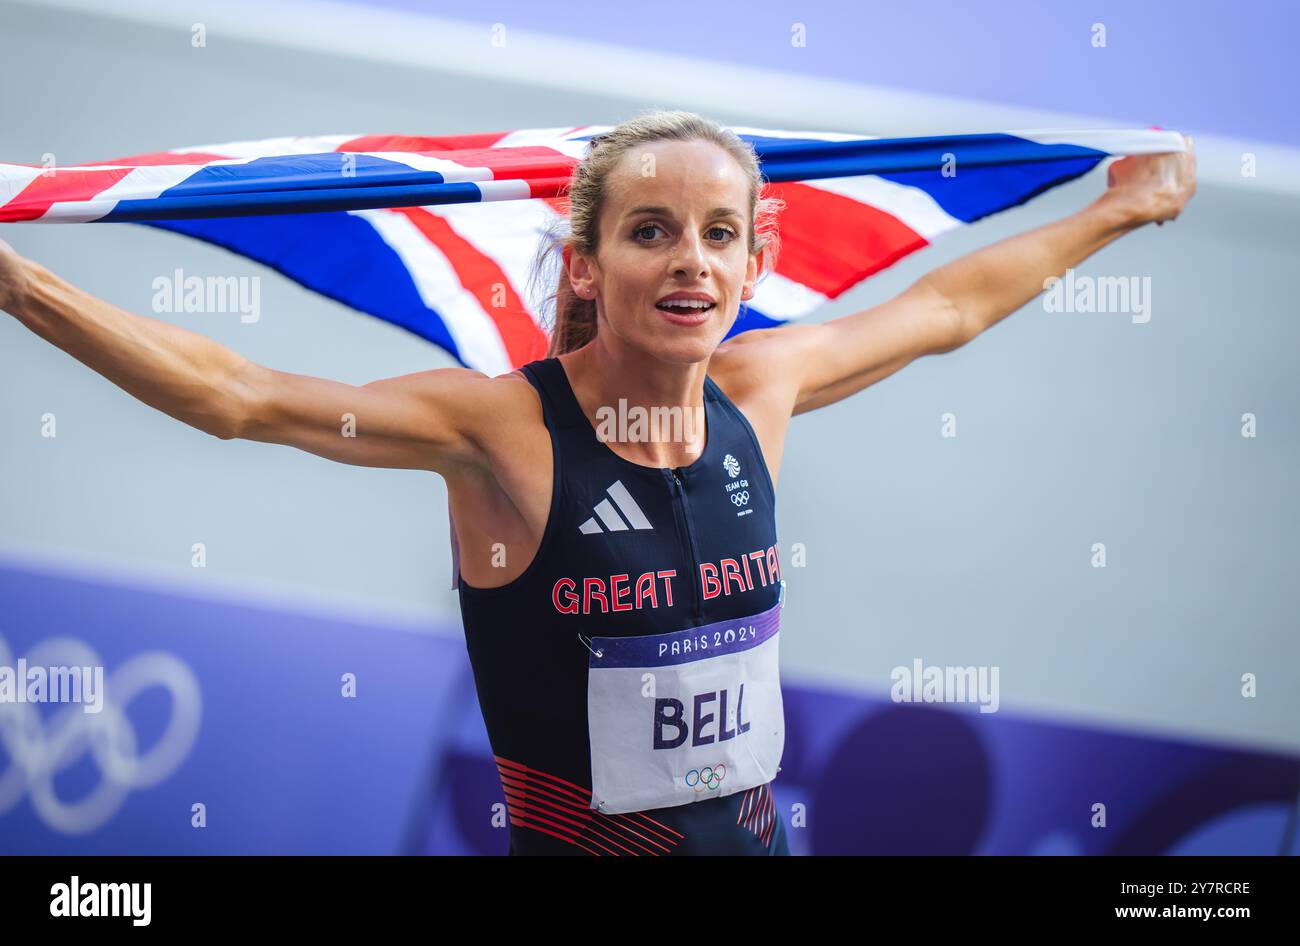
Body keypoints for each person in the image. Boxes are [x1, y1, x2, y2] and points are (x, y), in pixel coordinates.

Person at [0, 110, 1196, 856]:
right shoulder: (503, 431)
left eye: (719, 234)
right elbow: (236, 394)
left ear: (754, 258)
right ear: (587, 257)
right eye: (651, 231)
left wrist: (1124, 208)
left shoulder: (759, 391)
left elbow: (948, 306)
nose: (690, 261)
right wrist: (17, 283)